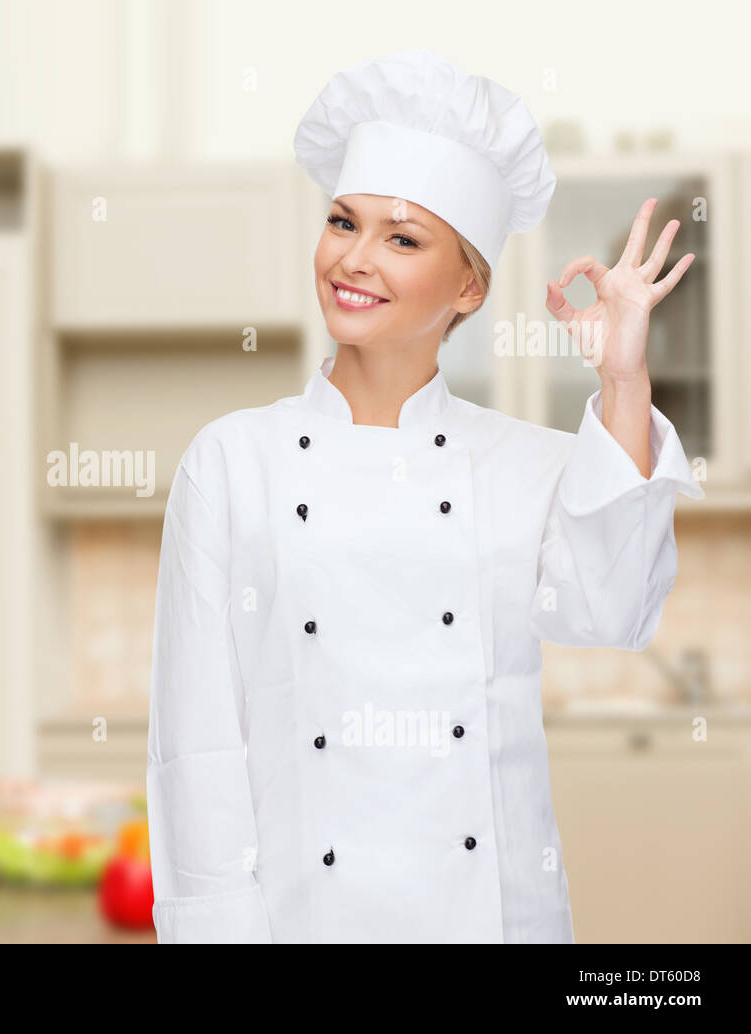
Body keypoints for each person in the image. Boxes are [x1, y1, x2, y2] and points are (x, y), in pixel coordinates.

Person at [145, 49, 705, 944]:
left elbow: (611, 614)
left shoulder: (528, 463)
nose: (353, 259)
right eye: (342, 222)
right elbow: (197, 746)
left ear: (469, 286)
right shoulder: (231, 462)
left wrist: (624, 380)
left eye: (402, 238)